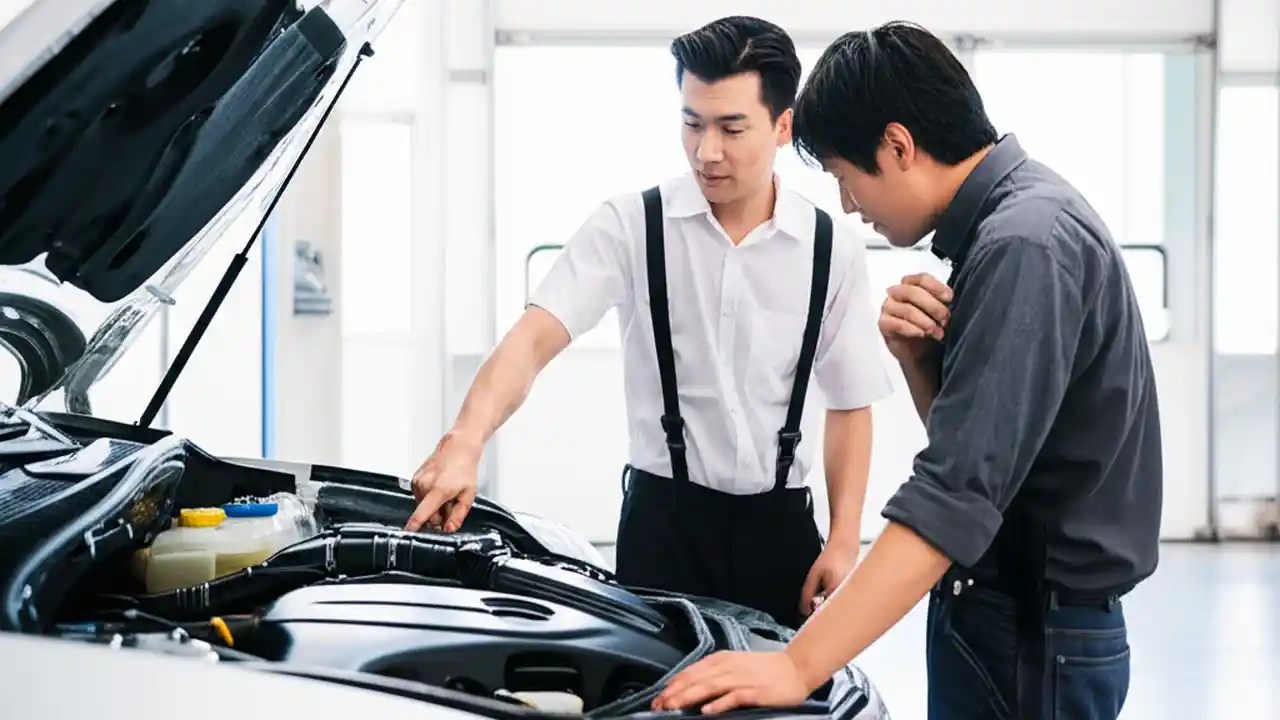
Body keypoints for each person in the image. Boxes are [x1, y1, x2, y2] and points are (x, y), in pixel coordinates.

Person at [652, 21, 1162, 720]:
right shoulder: (1013, 228)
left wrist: (798, 663)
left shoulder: (1025, 246)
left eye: (845, 177)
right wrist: (922, 362)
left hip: (1031, 634)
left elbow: (957, 494)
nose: (850, 207)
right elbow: (996, 456)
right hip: (1006, 619)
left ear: (897, 145)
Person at [402, 16, 893, 631]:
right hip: (662, 526)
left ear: (782, 126)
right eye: (692, 123)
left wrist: (845, 537)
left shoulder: (831, 250)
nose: (706, 151)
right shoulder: (631, 226)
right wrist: (465, 441)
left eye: (731, 128)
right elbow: (532, 338)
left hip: (783, 533)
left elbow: (850, 403)